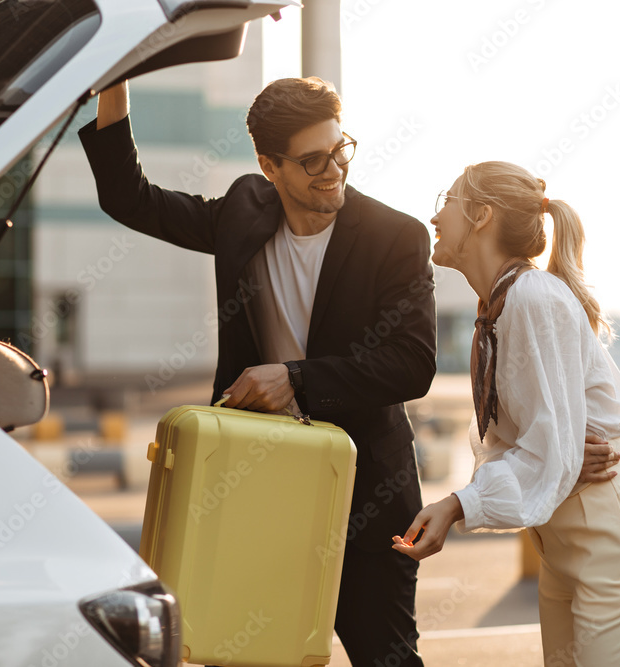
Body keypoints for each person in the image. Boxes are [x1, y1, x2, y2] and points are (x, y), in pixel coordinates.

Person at [79, 77, 435, 666]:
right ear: (269, 166)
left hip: (364, 493)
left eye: (340, 149)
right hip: (256, 488)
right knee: (244, 656)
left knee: (387, 659)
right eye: (312, 160)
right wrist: (116, 81)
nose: (333, 170)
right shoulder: (243, 211)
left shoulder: (394, 237)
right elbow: (129, 198)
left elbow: (413, 363)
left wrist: (295, 377)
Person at [392, 162, 620, 666]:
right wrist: (550, 459)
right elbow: (533, 450)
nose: (435, 216)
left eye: (447, 200)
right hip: (561, 548)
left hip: (609, 542)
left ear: (480, 214)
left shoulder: (534, 298)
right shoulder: (495, 307)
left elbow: (550, 455)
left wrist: (458, 505)